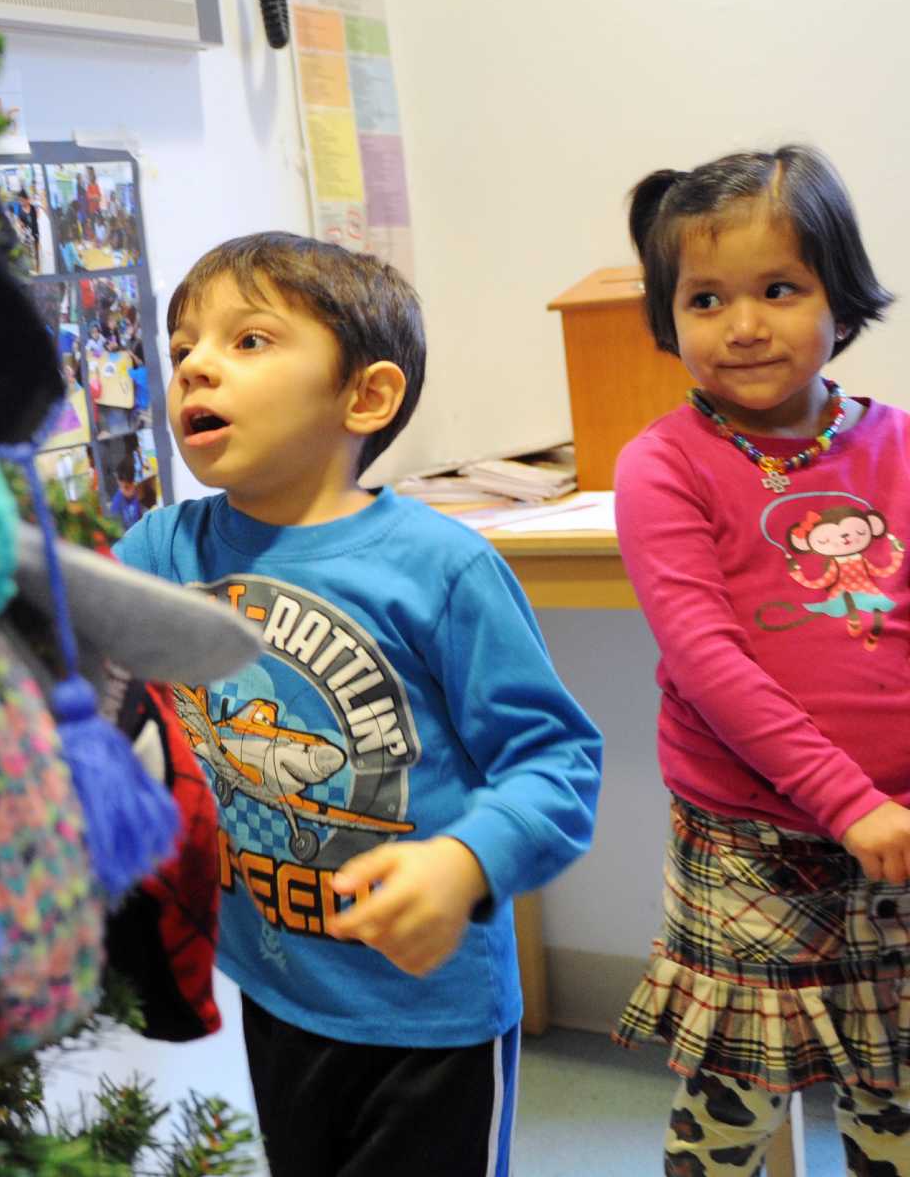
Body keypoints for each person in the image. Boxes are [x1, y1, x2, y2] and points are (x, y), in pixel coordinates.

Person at [115, 231, 601, 1177]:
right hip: (274, 985)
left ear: (365, 396)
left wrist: (464, 861)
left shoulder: (441, 566)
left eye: (247, 340)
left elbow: (559, 763)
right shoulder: (162, 549)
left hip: (430, 1016)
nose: (196, 366)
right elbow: (68, 655)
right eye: (182, 349)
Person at [611, 145, 910, 1173]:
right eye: (704, 299)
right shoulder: (659, 464)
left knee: (896, 1098)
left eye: (777, 289)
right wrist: (844, 800)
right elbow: (706, 660)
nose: (741, 326)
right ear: (669, 317)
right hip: (751, 843)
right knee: (728, 1112)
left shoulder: (899, 444)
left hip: (901, 833)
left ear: (840, 293)